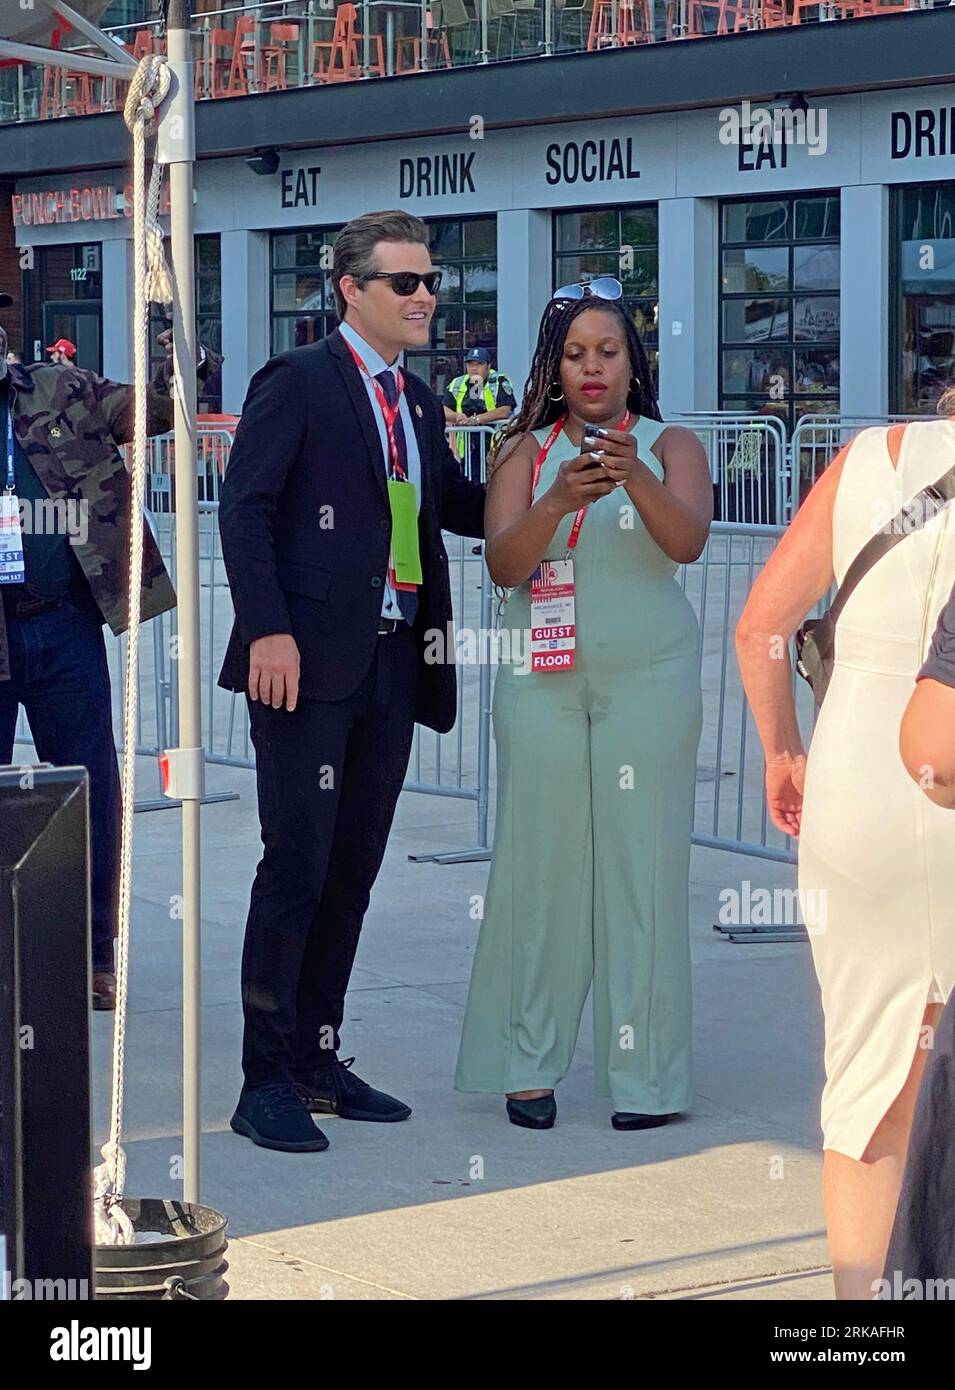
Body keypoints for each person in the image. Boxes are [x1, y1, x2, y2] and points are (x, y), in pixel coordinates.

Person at [217, 210, 485, 1155]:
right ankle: (264, 1081)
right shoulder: (295, 383)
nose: (425, 298)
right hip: (303, 667)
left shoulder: (415, 402)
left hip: (392, 663)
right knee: (295, 866)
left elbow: (452, 504)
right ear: (351, 290)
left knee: (351, 872)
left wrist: (549, 478)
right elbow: (242, 511)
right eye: (405, 283)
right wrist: (269, 632)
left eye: (430, 282)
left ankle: (317, 1059)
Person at [454, 276, 712, 1131]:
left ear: (633, 361)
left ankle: (647, 1079)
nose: (591, 368)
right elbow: (502, 565)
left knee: (642, 872)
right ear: (553, 367)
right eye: (574, 354)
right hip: (542, 682)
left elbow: (687, 543)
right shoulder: (522, 452)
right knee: (540, 869)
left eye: (607, 351)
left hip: (651, 681)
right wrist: (558, 495)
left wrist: (633, 477)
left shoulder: (672, 445)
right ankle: (527, 1064)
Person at [736, 413, 955, 1299]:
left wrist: (784, 749)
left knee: (864, 1070)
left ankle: (860, 1317)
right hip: (934, 763)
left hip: (850, 772)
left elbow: (760, 627)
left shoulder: (873, 453)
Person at [0, 293, 217, 1011]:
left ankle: (93, 950)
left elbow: (157, 410)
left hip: (62, 618)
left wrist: (170, 333)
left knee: (90, 786)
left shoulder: (61, 387)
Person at [443, 347, 516, 483]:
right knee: (470, 484)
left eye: (479, 364)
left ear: (488, 366)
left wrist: (476, 420)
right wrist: (457, 417)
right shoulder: (457, 384)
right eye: (470, 364)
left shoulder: (499, 381)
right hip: (467, 447)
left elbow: (504, 410)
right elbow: (443, 409)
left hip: (495, 444)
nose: (474, 369)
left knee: (496, 483)